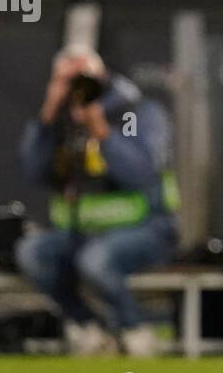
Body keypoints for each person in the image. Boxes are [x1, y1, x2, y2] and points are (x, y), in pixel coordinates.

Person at [15, 45, 178, 356]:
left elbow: (140, 172)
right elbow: (31, 172)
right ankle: (89, 326)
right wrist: (47, 116)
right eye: (67, 81)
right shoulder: (61, 124)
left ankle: (135, 329)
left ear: (102, 78)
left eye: (83, 80)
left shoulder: (140, 113)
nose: (76, 89)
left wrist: (100, 129)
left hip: (148, 229)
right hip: (84, 233)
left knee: (95, 260)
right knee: (32, 253)